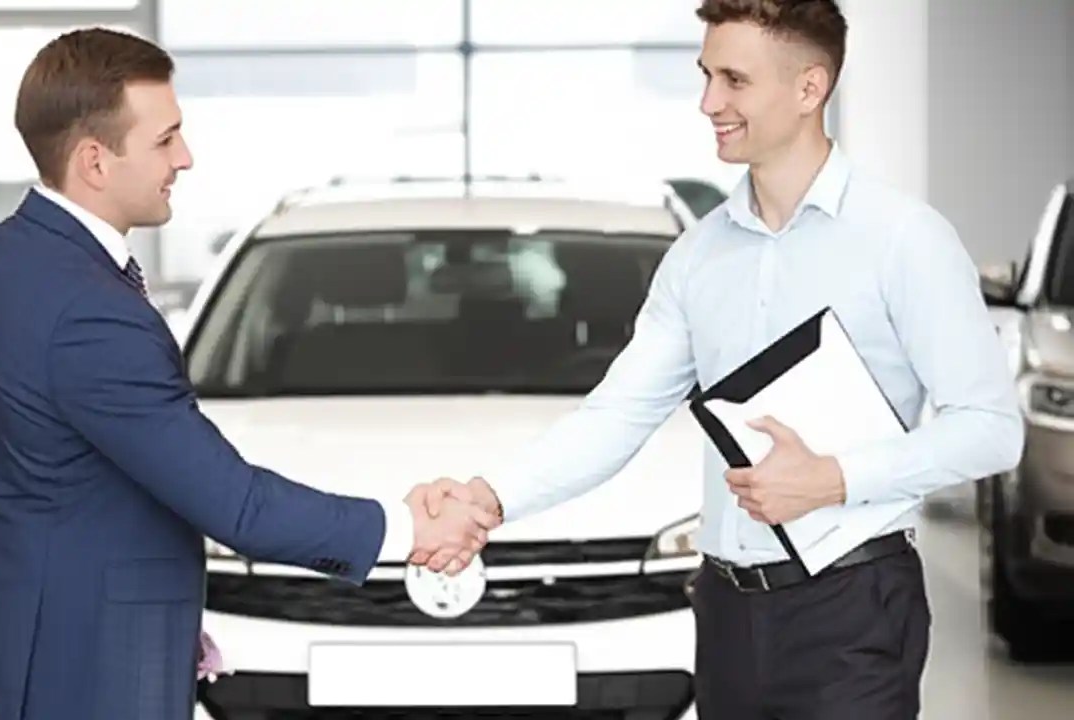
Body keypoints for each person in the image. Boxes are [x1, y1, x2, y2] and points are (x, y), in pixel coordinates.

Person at [418, 1, 1023, 717]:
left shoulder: (904, 240)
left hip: (852, 607)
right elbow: (617, 414)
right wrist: (490, 498)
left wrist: (832, 479)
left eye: (734, 80)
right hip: (725, 611)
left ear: (809, 88)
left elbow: (991, 427)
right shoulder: (696, 257)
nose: (709, 103)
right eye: (706, 76)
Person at [0, 28, 491, 720]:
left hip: (18, 645)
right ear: (94, 161)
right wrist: (408, 530)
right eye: (165, 140)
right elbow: (237, 506)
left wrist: (128, 597)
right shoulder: (94, 312)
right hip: (96, 676)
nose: (186, 158)